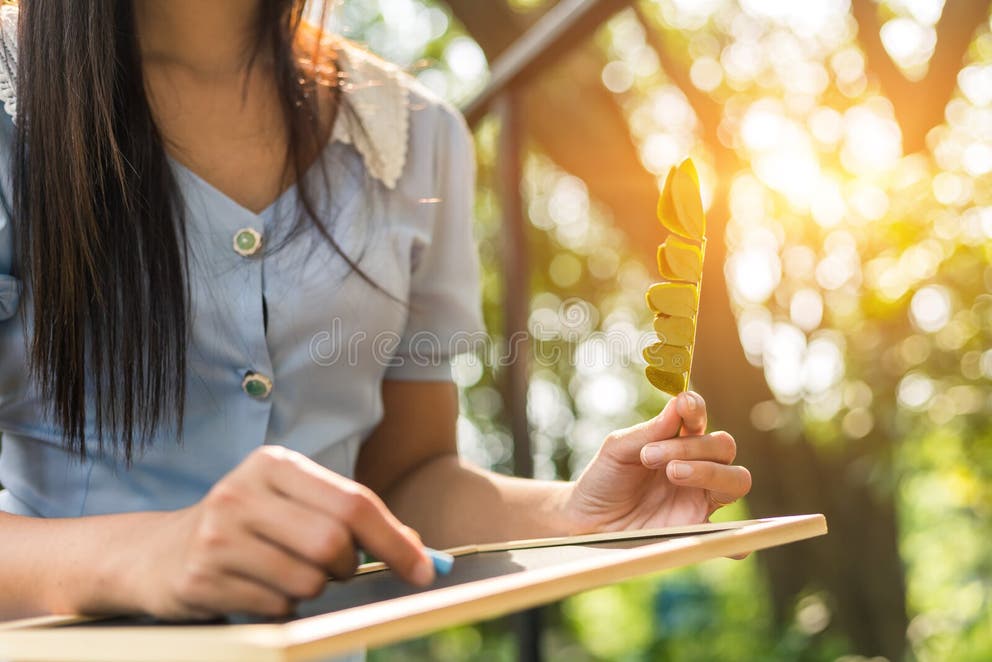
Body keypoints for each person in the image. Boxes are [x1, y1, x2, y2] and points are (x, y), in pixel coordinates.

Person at [0, 0, 751, 626]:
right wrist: (149, 552)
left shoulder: (417, 134)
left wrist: (571, 517)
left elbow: (407, 479)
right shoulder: (12, 94)